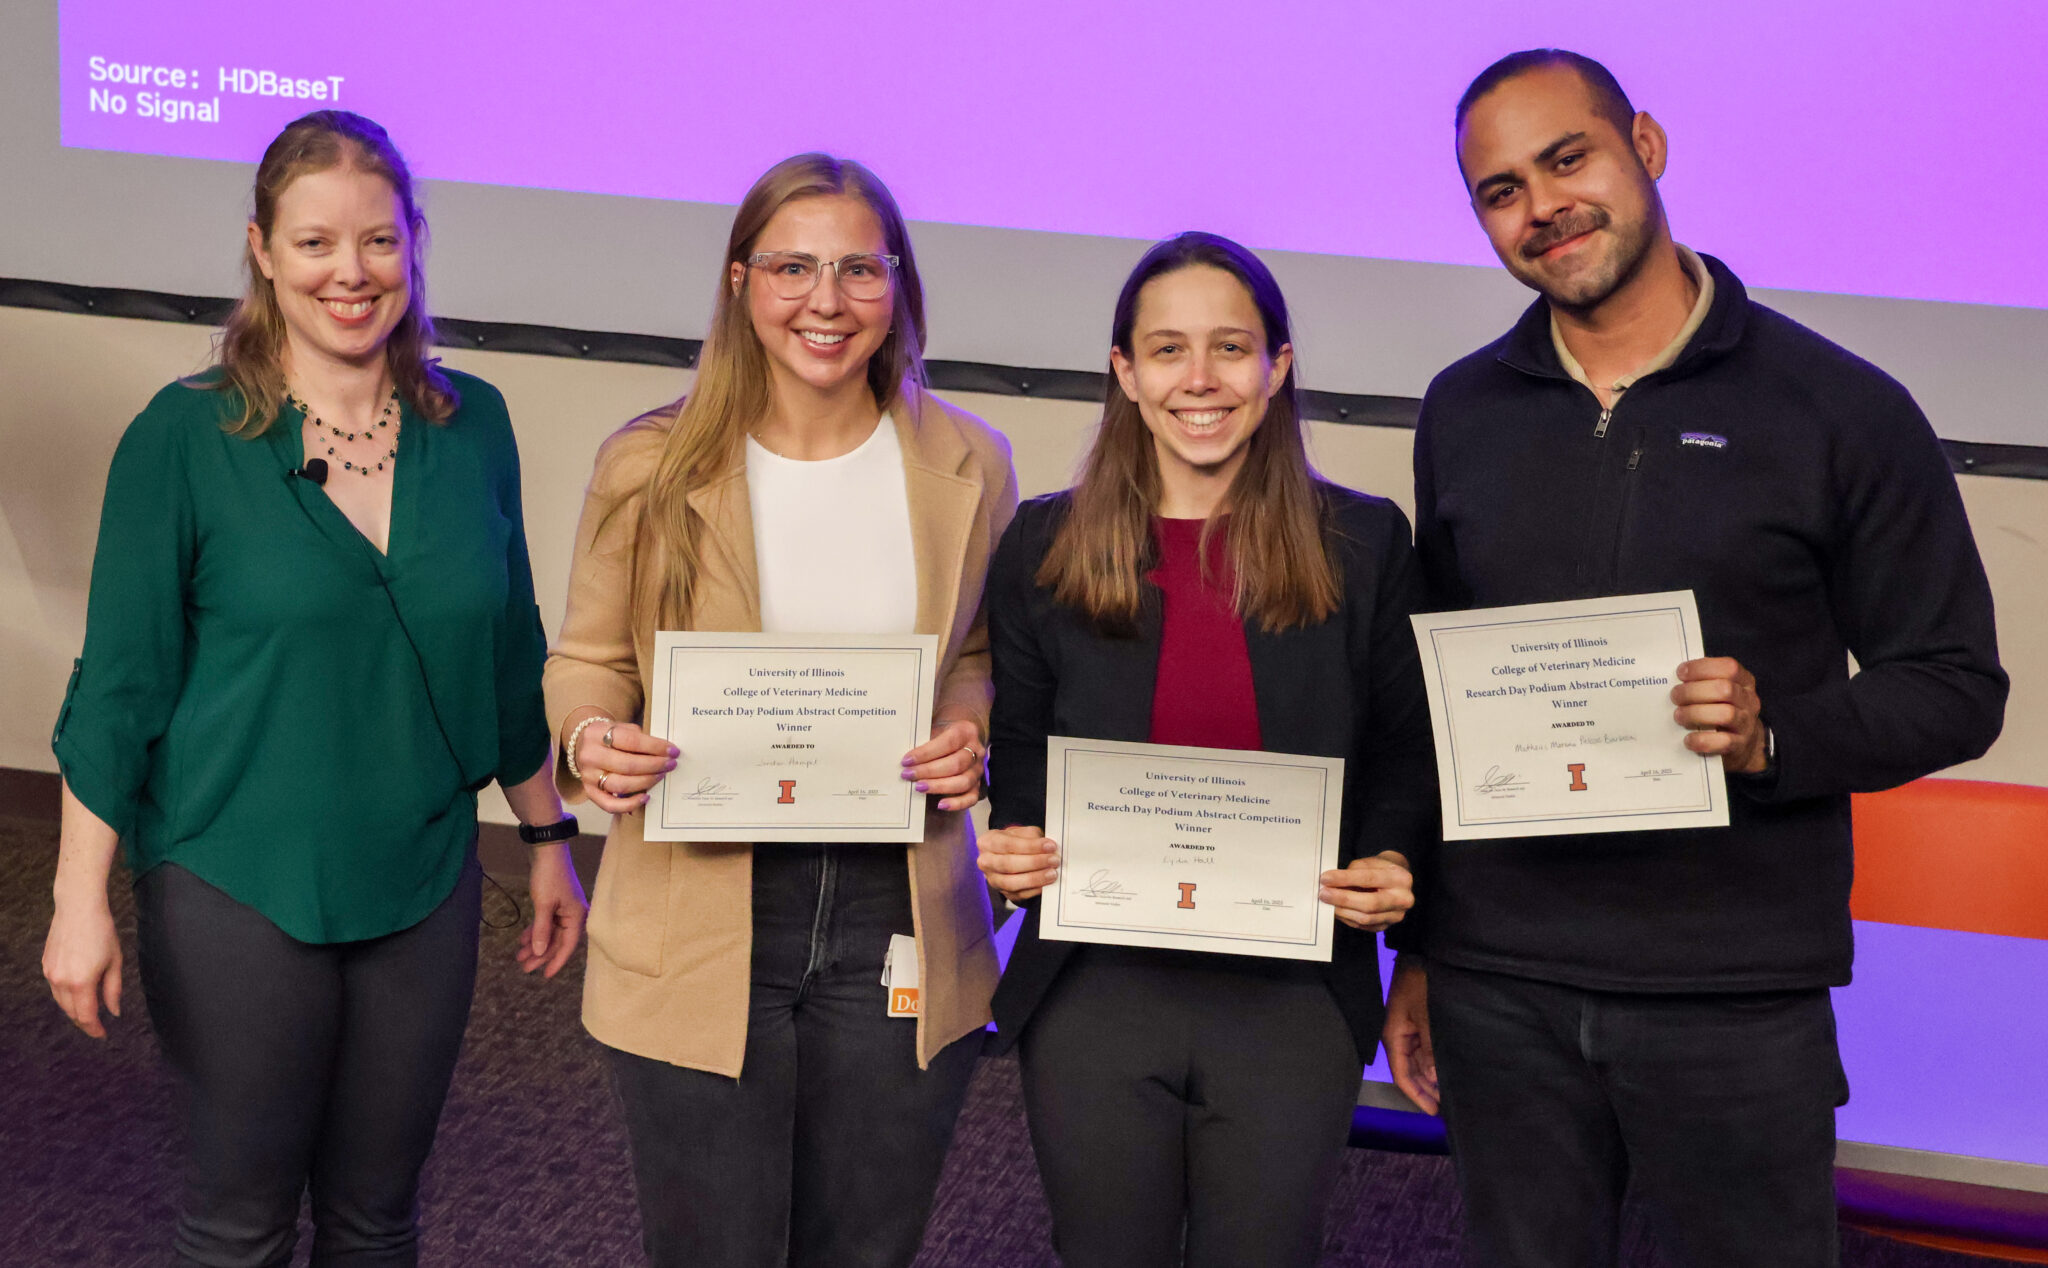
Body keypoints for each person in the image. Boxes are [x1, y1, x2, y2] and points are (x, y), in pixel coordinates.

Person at [1384, 50, 2009, 1268]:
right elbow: (1433, 705)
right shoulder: (1461, 409)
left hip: (1730, 990)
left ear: (1645, 145)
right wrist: (1420, 947)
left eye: (1566, 158)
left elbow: (1953, 682)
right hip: (1498, 980)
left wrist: (1776, 733)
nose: (1541, 206)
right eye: (1500, 190)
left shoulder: (1837, 406)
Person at [40, 109, 586, 1267]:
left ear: (413, 244)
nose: (352, 272)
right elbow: (119, 687)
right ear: (261, 250)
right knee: (239, 1225)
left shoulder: (473, 423)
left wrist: (547, 836)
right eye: (315, 243)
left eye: (378, 241)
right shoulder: (184, 437)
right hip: (238, 874)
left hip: (422, 874)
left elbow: (507, 651)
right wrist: (77, 899)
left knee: (377, 1219)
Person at [544, 152, 1018, 1268]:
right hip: (700, 901)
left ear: (896, 285)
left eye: (859, 269)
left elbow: (977, 655)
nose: (826, 300)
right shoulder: (648, 463)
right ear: (739, 281)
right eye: (792, 267)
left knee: (865, 1243)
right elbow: (587, 660)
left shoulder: (968, 461)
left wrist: (968, 728)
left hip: (895, 904)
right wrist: (591, 740)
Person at [975, 231, 1437, 1268]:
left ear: (1276, 367)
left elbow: (1405, 750)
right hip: (1094, 984)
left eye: (1230, 347)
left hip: (1292, 992)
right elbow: (1023, 745)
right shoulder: (1045, 544)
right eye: (1167, 349)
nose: (1199, 378)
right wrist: (1013, 838)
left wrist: (1391, 858)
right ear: (1124, 371)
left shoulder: (1364, 543)